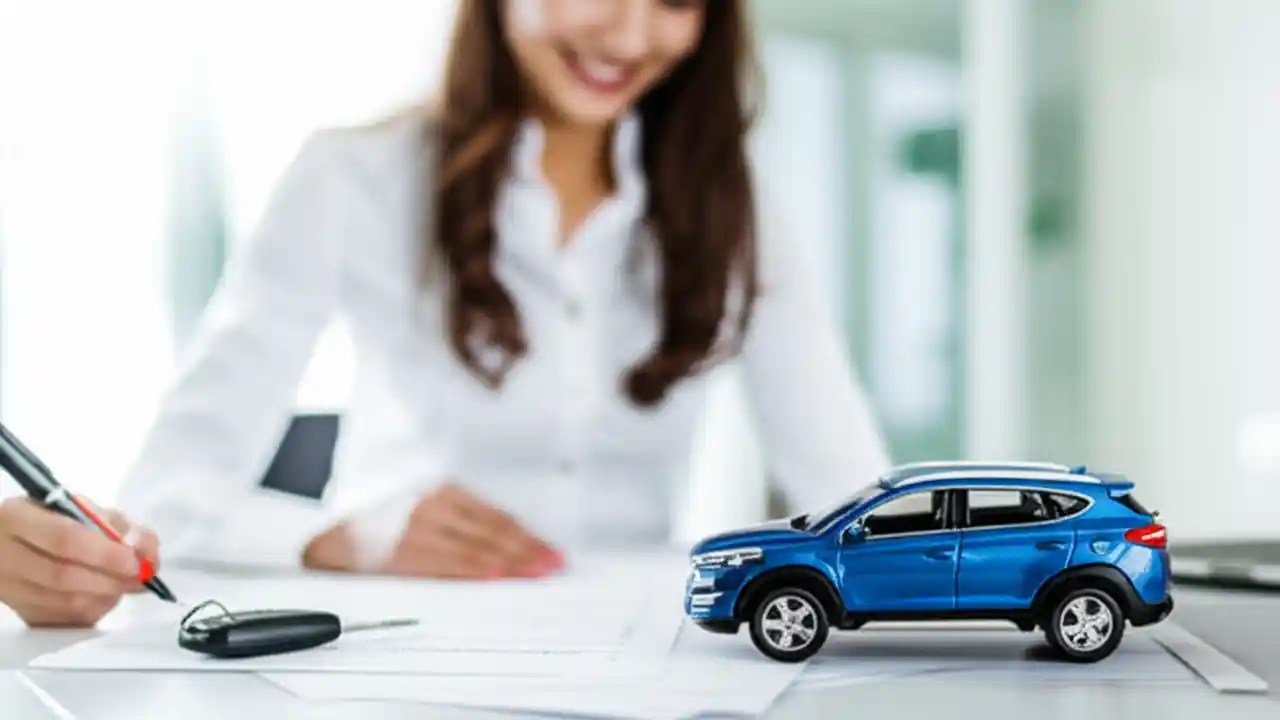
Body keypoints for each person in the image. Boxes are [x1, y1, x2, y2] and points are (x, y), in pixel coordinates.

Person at [0, 0, 889, 627]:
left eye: (674, 0)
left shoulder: (740, 208)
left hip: (645, 651)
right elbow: (171, 492)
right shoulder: (353, 176)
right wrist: (351, 536)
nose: (629, 32)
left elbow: (844, 481)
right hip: (397, 647)